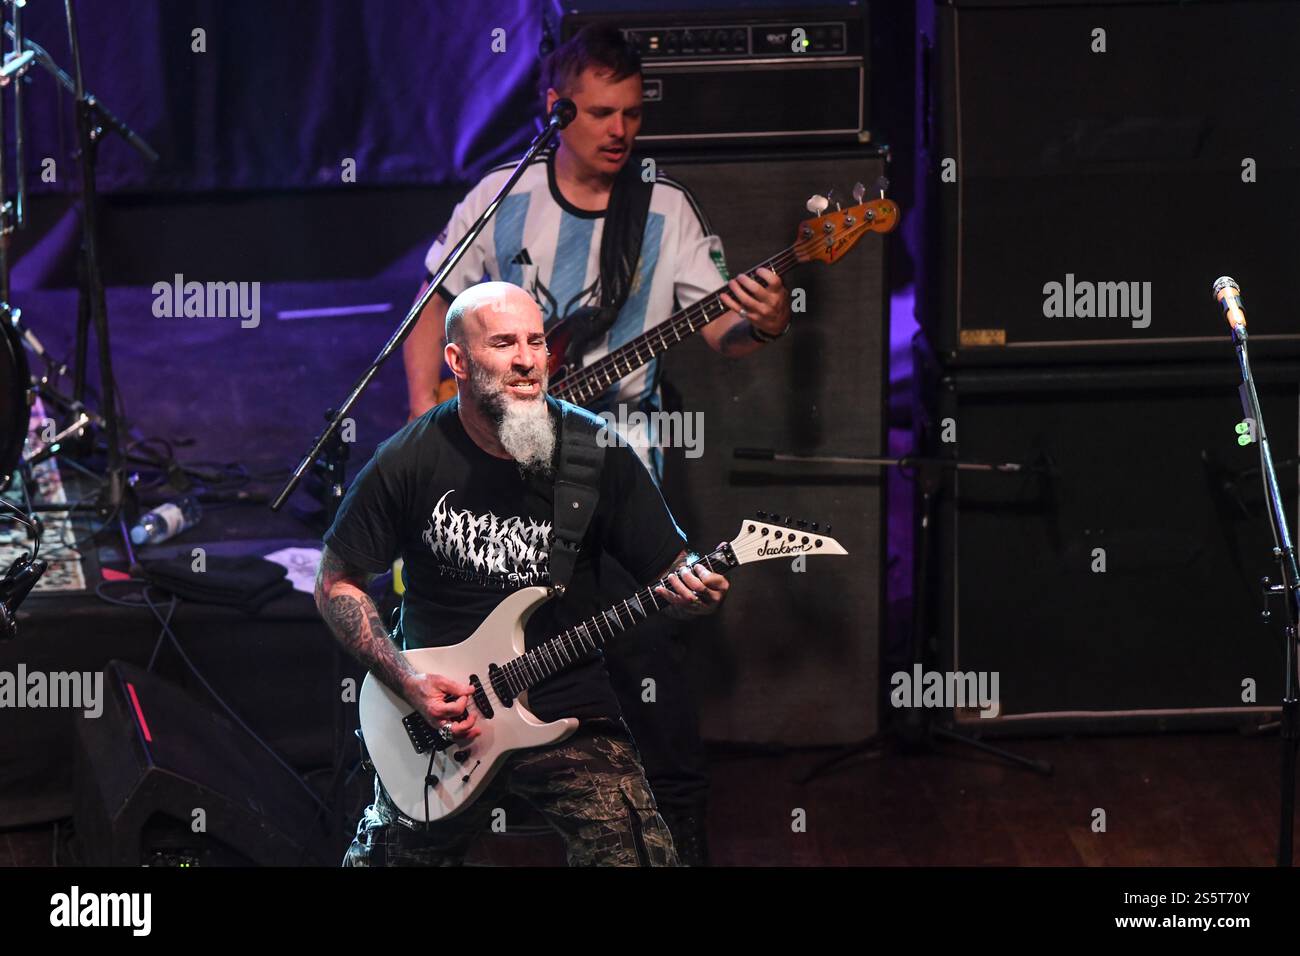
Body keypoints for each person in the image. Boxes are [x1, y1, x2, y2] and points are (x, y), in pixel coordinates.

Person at [400, 23, 791, 864]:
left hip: (612, 484)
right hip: (498, 484)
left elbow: (723, 330)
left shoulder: (664, 211)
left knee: (653, 684)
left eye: (633, 114)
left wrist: (768, 319)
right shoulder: (502, 198)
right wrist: (422, 417)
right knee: (464, 669)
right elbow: (435, 301)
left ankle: (679, 840)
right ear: (557, 109)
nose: (621, 131)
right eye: (603, 113)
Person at [318, 281, 730, 866]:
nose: (527, 361)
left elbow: (671, 569)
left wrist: (696, 590)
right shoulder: (408, 460)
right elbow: (337, 582)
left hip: (566, 704)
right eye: (505, 343)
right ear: (456, 360)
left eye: (536, 342)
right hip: (438, 718)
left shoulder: (594, 450)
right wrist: (408, 680)